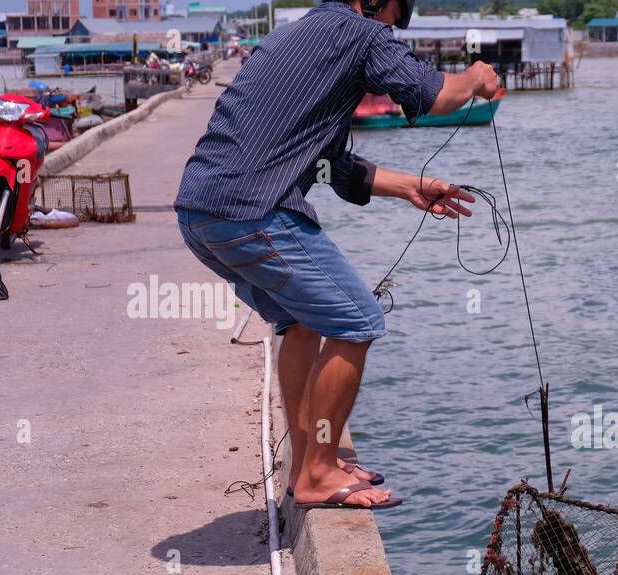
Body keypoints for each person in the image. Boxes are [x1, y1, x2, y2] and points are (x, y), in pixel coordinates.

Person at [175, 0, 499, 509]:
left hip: (201, 211)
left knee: (302, 323)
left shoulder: (296, 34)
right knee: (358, 320)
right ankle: (319, 474)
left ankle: (306, 463)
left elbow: (331, 164)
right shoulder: (361, 31)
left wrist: (411, 186)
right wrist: (474, 78)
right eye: (393, 19)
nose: (391, 33)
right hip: (252, 210)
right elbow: (432, 94)